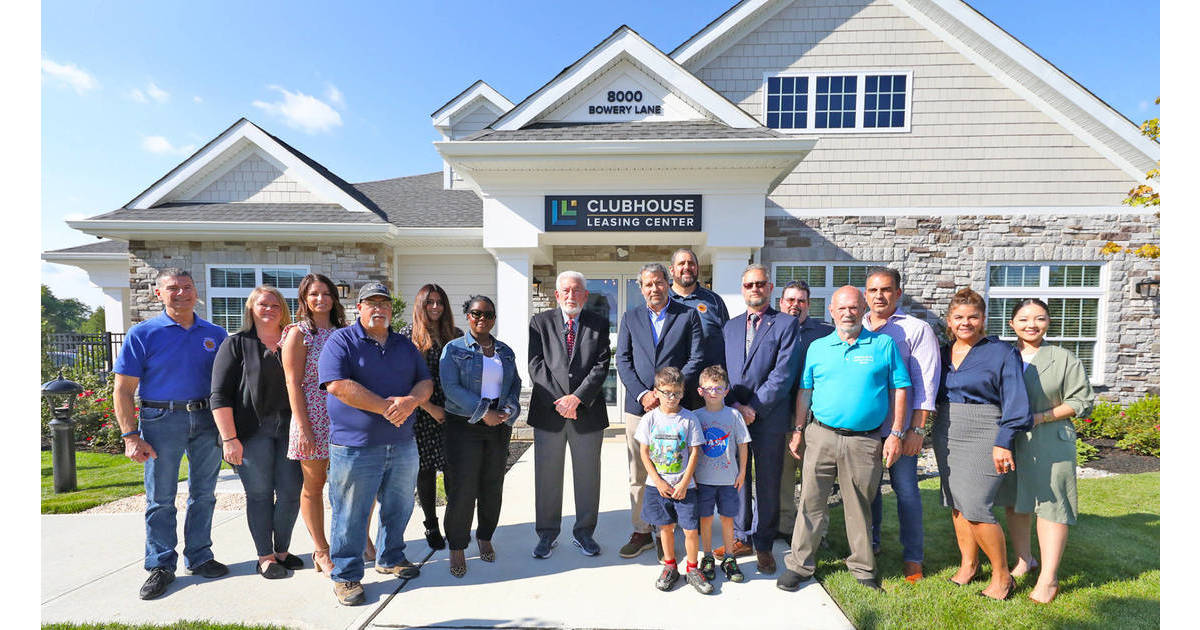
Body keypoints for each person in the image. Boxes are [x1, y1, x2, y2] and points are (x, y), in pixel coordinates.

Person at [778, 286, 910, 593]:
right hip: (820, 435)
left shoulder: (883, 345)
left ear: (862, 309)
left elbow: (899, 388)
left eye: (853, 307)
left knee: (859, 504)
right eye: (841, 308)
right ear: (831, 312)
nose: (847, 313)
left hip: (864, 442)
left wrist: (896, 433)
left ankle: (863, 568)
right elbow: (805, 391)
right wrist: (798, 430)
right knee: (810, 501)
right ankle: (799, 565)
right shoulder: (818, 347)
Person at [112, 268, 230, 600]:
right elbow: (123, 390)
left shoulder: (215, 333)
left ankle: (200, 555)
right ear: (158, 293)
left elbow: (228, 385)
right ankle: (161, 565)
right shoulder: (143, 333)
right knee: (161, 499)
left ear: (196, 292)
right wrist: (130, 436)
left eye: (188, 287)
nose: (182, 293)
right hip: (161, 419)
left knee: (204, 494)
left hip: (206, 419)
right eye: (173, 288)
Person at [318, 282, 433, 606]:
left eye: (384, 303)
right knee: (350, 513)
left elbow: (425, 381)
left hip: (401, 443)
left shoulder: (404, 345)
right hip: (355, 446)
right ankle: (346, 576)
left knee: (399, 507)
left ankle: (390, 556)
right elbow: (337, 385)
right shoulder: (341, 340)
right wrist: (386, 408)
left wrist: (410, 401)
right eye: (371, 303)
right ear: (359, 308)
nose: (378, 308)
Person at [934, 288, 1031, 601]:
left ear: (983, 319)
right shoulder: (942, 351)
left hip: (986, 430)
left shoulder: (1001, 352)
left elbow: (1016, 401)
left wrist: (1003, 442)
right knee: (957, 503)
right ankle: (969, 565)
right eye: (959, 317)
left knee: (977, 505)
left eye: (973, 317)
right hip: (948, 429)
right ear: (949, 321)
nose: (966, 322)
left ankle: (1003, 577)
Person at [996, 299, 1094, 603]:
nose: (1031, 325)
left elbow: (1082, 401)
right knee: (1015, 501)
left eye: (1039, 318)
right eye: (1024, 319)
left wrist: (1042, 416)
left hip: (1050, 439)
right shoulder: (1002, 355)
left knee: (1052, 505)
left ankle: (1049, 579)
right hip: (1011, 440)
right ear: (1011, 324)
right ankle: (1025, 560)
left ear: (1048, 323)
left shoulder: (1064, 358)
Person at [211, 285, 304, 580]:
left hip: (290, 428)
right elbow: (219, 395)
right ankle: (264, 556)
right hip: (253, 431)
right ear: (251, 308)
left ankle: (282, 551)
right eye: (262, 304)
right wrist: (229, 439)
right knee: (260, 494)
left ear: (283, 309)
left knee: (290, 492)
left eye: (275, 304)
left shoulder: (294, 340)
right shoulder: (237, 343)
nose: (269, 309)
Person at [615, 262, 704, 560]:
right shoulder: (630, 317)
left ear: (668, 283)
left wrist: (669, 393)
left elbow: (696, 357)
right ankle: (642, 531)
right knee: (639, 472)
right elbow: (623, 361)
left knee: (676, 466)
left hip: (677, 408)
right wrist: (643, 394)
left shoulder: (687, 315)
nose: (654, 288)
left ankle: (671, 525)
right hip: (639, 408)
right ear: (640, 288)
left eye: (659, 282)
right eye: (648, 284)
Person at [716, 264, 799, 575]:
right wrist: (735, 405)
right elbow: (721, 370)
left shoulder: (785, 324)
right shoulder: (731, 327)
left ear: (770, 287)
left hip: (768, 417)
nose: (755, 289)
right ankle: (741, 537)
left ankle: (763, 543)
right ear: (742, 289)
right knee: (738, 478)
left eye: (760, 284)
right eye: (749, 284)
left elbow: (784, 373)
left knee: (767, 482)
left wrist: (754, 407)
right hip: (734, 415)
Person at [862, 267, 941, 582]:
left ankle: (913, 558)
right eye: (873, 290)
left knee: (906, 490)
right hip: (865, 428)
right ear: (865, 294)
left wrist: (916, 429)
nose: (879, 296)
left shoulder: (916, 329)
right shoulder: (857, 327)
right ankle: (872, 544)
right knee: (869, 491)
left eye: (886, 290)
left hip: (902, 428)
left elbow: (925, 384)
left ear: (898, 293)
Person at [528, 271, 612, 558]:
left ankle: (585, 533)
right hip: (548, 413)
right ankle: (547, 534)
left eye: (577, 290)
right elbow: (535, 365)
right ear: (557, 294)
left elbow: (601, 366)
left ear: (585, 295)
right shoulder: (539, 323)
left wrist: (577, 398)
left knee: (588, 478)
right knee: (547, 478)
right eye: (566, 290)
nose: (571, 295)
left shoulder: (599, 324)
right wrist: (560, 400)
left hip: (586, 413)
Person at [439, 295, 523, 577]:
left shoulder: (505, 351)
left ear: (494, 318)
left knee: (492, 485)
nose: (482, 319)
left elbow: (514, 385)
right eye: (476, 314)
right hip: (464, 425)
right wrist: (483, 410)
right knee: (463, 488)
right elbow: (450, 388)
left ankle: (485, 535)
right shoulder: (453, 350)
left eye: (488, 314)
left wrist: (508, 409)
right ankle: (457, 545)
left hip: (498, 426)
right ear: (468, 316)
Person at [281, 273, 347, 576]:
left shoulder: (344, 331)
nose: (321, 299)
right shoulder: (299, 332)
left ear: (334, 297)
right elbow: (293, 384)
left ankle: (353, 540)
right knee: (314, 485)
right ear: (304, 300)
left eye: (326, 293)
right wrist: (304, 427)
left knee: (350, 485)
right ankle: (321, 550)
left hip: (344, 416)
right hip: (312, 417)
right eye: (314, 294)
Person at [397, 283, 462, 551]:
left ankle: (452, 522)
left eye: (439, 302)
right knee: (425, 472)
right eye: (430, 302)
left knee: (452, 470)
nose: (435, 307)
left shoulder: (455, 336)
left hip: (452, 412)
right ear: (420, 305)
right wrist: (430, 408)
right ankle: (430, 524)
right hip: (422, 414)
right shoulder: (406, 337)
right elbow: (402, 381)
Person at [635, 367, 709, 594]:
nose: (671, 397)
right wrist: (657, 481)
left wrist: (685, 482)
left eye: (676, 392)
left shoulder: (690, 419)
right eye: (666, 392)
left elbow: (695, 452)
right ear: (656, 392)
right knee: (665, 528)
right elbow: (644, 453)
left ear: (683, 392)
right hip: (658, 487)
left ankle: (693, 568)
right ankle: (670, 566)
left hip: (684, 486)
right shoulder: (649, 419)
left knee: (689, 529)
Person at [775, 280, 833, 543]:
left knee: (815, 481)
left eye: (800, 300)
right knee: (784, 477)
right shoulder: (771, 329)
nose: (795, 305)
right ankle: (786, 527)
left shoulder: (824, 333)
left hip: (816, 420)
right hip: (781, 416)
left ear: (808, 304)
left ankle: (815, 533)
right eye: (790, 300)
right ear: (781, 303)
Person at [693, 365, 750, 585]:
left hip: (728, 479)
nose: (713, 393)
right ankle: (707, 557)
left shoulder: (734, 415)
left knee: (727, 519)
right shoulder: (696, 416)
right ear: (700, 391)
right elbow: (692, 449)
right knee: (705, 519)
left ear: (727, 391)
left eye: (718, 388)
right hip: (704, 480)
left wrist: (743, 471)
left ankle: (729, 557)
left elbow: (743, 444)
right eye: (708, 389)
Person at [668, 247, 730, 380]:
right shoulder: (662, 300)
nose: (687, 267)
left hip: (707, 386)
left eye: (691, 263)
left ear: (697, 268)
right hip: (670, 385)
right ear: (671, 270)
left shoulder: (714, 301)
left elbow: (728, 340)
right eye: (681, 263)